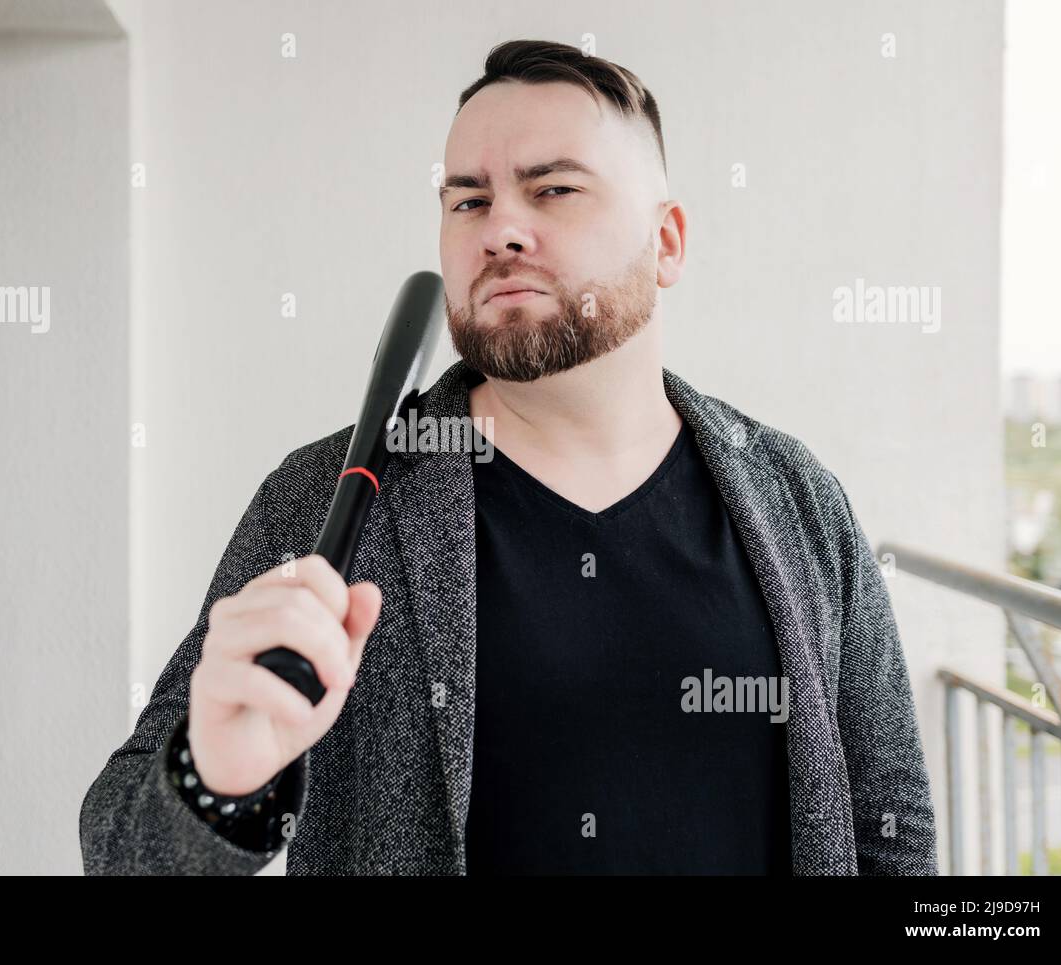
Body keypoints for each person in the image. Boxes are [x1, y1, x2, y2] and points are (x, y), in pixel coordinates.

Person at [80, 38, 938, 876]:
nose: (502, 232)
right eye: (468, 201)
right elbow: (121, 849)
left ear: (667, 241)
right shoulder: (325, 502)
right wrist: (217, 786)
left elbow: (890, 827)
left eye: (554, 189)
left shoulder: (797, 498)